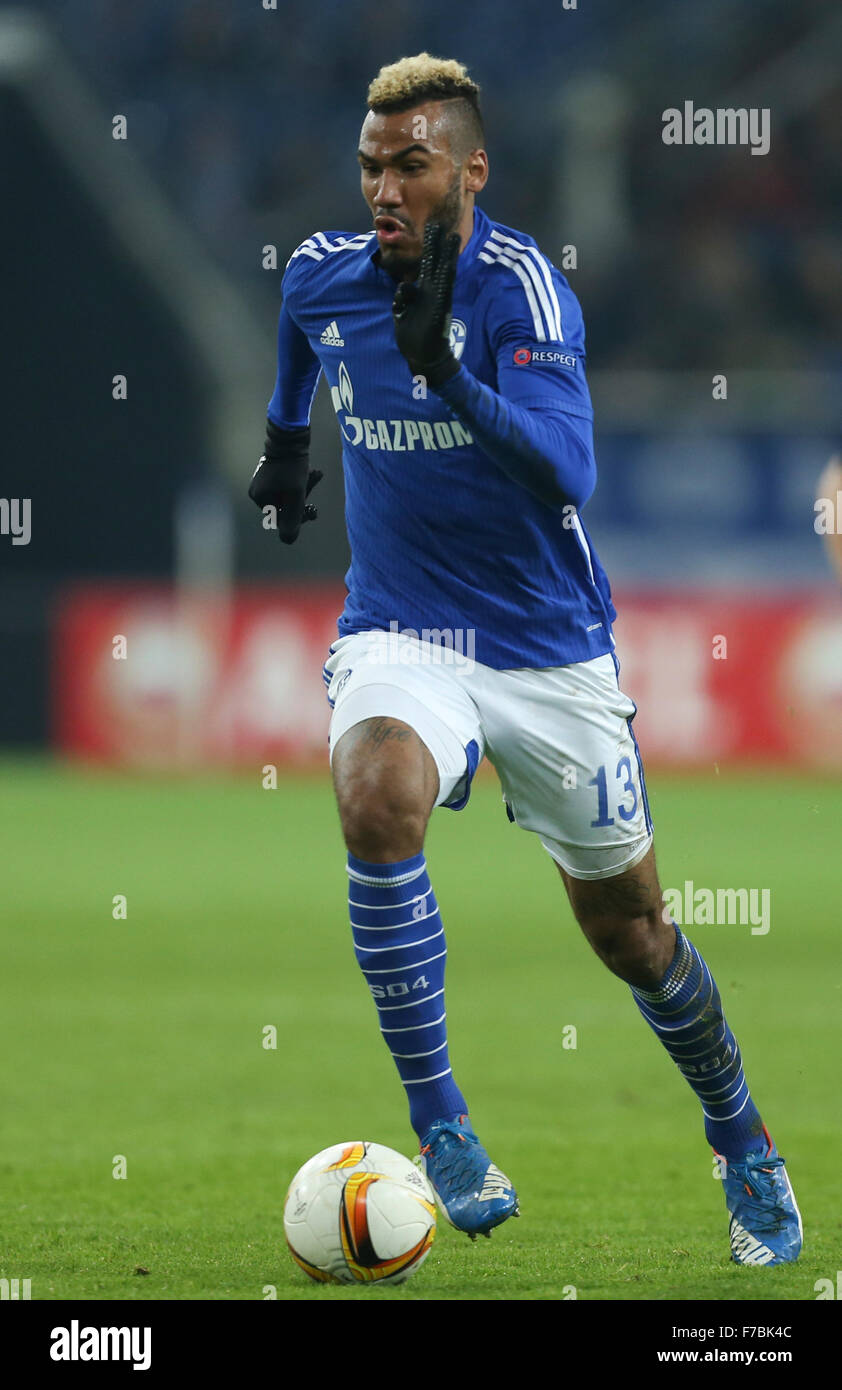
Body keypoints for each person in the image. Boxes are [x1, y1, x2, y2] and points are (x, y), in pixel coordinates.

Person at [249, 52, 801, 1264]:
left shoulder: (522, 295)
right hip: (402, 629)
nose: (381, 190)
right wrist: (288, 441)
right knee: (375, 796)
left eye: (409, 165)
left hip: (547, 651)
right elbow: (299, 330)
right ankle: (441, 1125)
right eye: (368, 167)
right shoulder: (323, 278)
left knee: (635, 937)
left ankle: (741, 1136)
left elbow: (568, 472)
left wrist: (443, 372)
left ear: (469, 169)